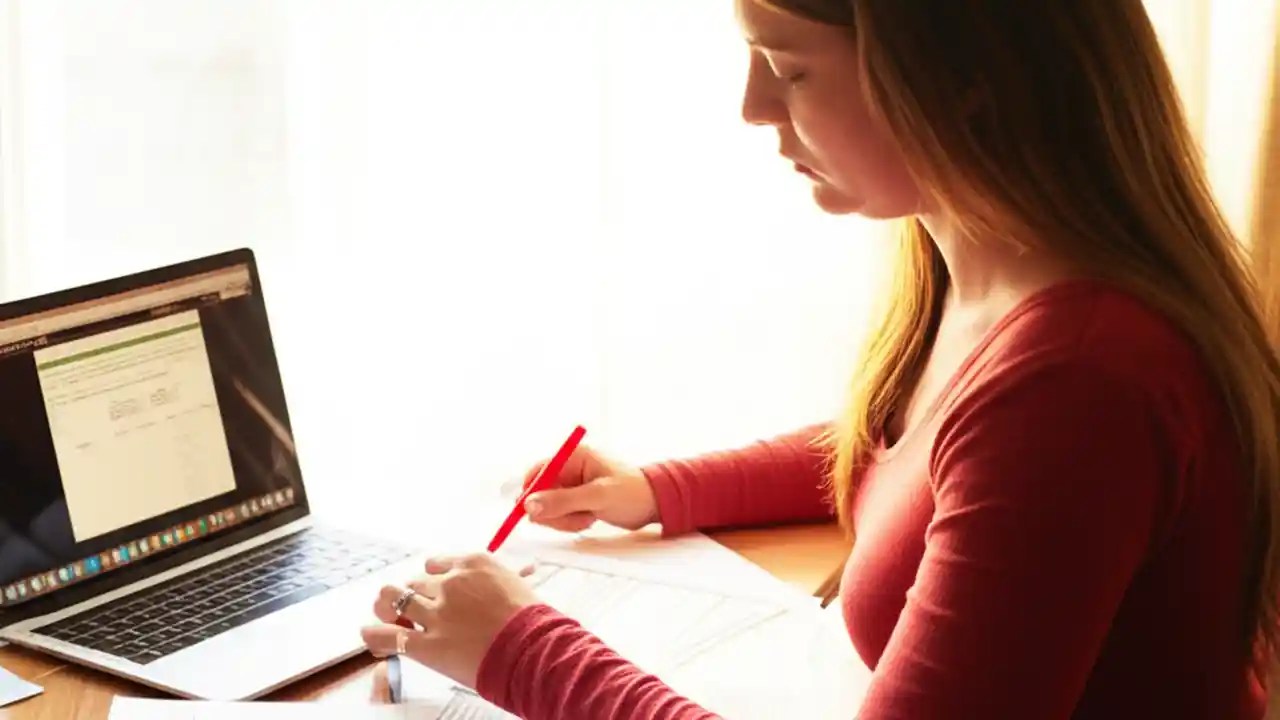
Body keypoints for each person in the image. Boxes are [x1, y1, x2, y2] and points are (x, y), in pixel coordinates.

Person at [360, 1, 1280, 717]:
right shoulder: (997, 273)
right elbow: (912, 452)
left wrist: (517, 646)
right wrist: (662, 488)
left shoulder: (1079, 384)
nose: (753, 107)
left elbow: (996, 451)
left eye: (789, 68)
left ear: (964, 77)